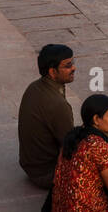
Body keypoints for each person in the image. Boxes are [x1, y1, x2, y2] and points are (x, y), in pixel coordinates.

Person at [18, 45, 76, 191]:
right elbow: (70, 146)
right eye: (68, 66)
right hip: (47, 174)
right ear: (52, 72)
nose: (73, 68)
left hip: (31, 167)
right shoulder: (57, 105)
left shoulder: (34, 87)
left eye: (73, 63)